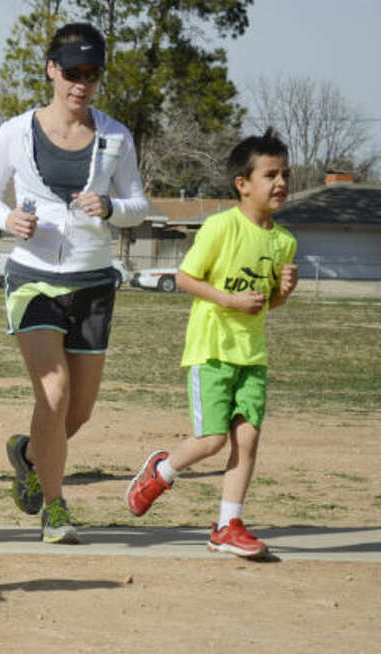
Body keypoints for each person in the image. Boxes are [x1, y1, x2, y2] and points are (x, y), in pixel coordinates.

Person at [0, 22, 148, 544]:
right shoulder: (15, 132)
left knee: (79, 410)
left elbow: (138, 206)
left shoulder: (115, 135)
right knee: (54, 390)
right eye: (73, 72)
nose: (82, 84)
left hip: (93, 280)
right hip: (33, 276)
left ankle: (27, 455)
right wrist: (7, 221)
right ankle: (55, 507)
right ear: (51, 69)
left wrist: (112, 207)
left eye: (92, 75)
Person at [126, 129, 297, 559]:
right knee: (211, 440)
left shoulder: (284, 241)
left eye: (285, 175)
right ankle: (161, 471)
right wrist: (229, 299)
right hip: (212, 351)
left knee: (248, 440)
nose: (280, 183)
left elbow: (263, 305)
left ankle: (227, 524)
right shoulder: (222, 227)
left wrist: (284, 293)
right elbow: (185, 278)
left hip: (252, 355)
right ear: (242, 183)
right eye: (270, 174)